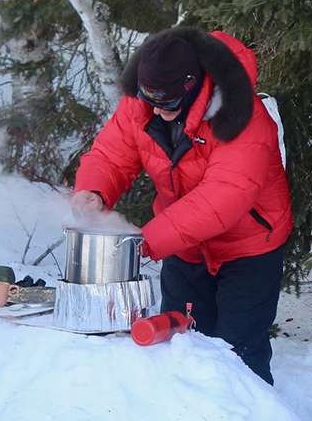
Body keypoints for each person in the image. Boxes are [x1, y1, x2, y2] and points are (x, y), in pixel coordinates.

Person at [72, 27, 292, 384]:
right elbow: (112, 154)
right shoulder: (143, 103)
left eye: (169, 103)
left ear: (193, 86)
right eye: (151, 101)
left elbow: (224, 196)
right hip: (186, 248)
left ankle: (250, 419)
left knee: (238, 355)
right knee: (179, 343)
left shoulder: (241, 116)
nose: (158, 111)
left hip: (248, 248)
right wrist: (93, 191)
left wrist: (147, 240)